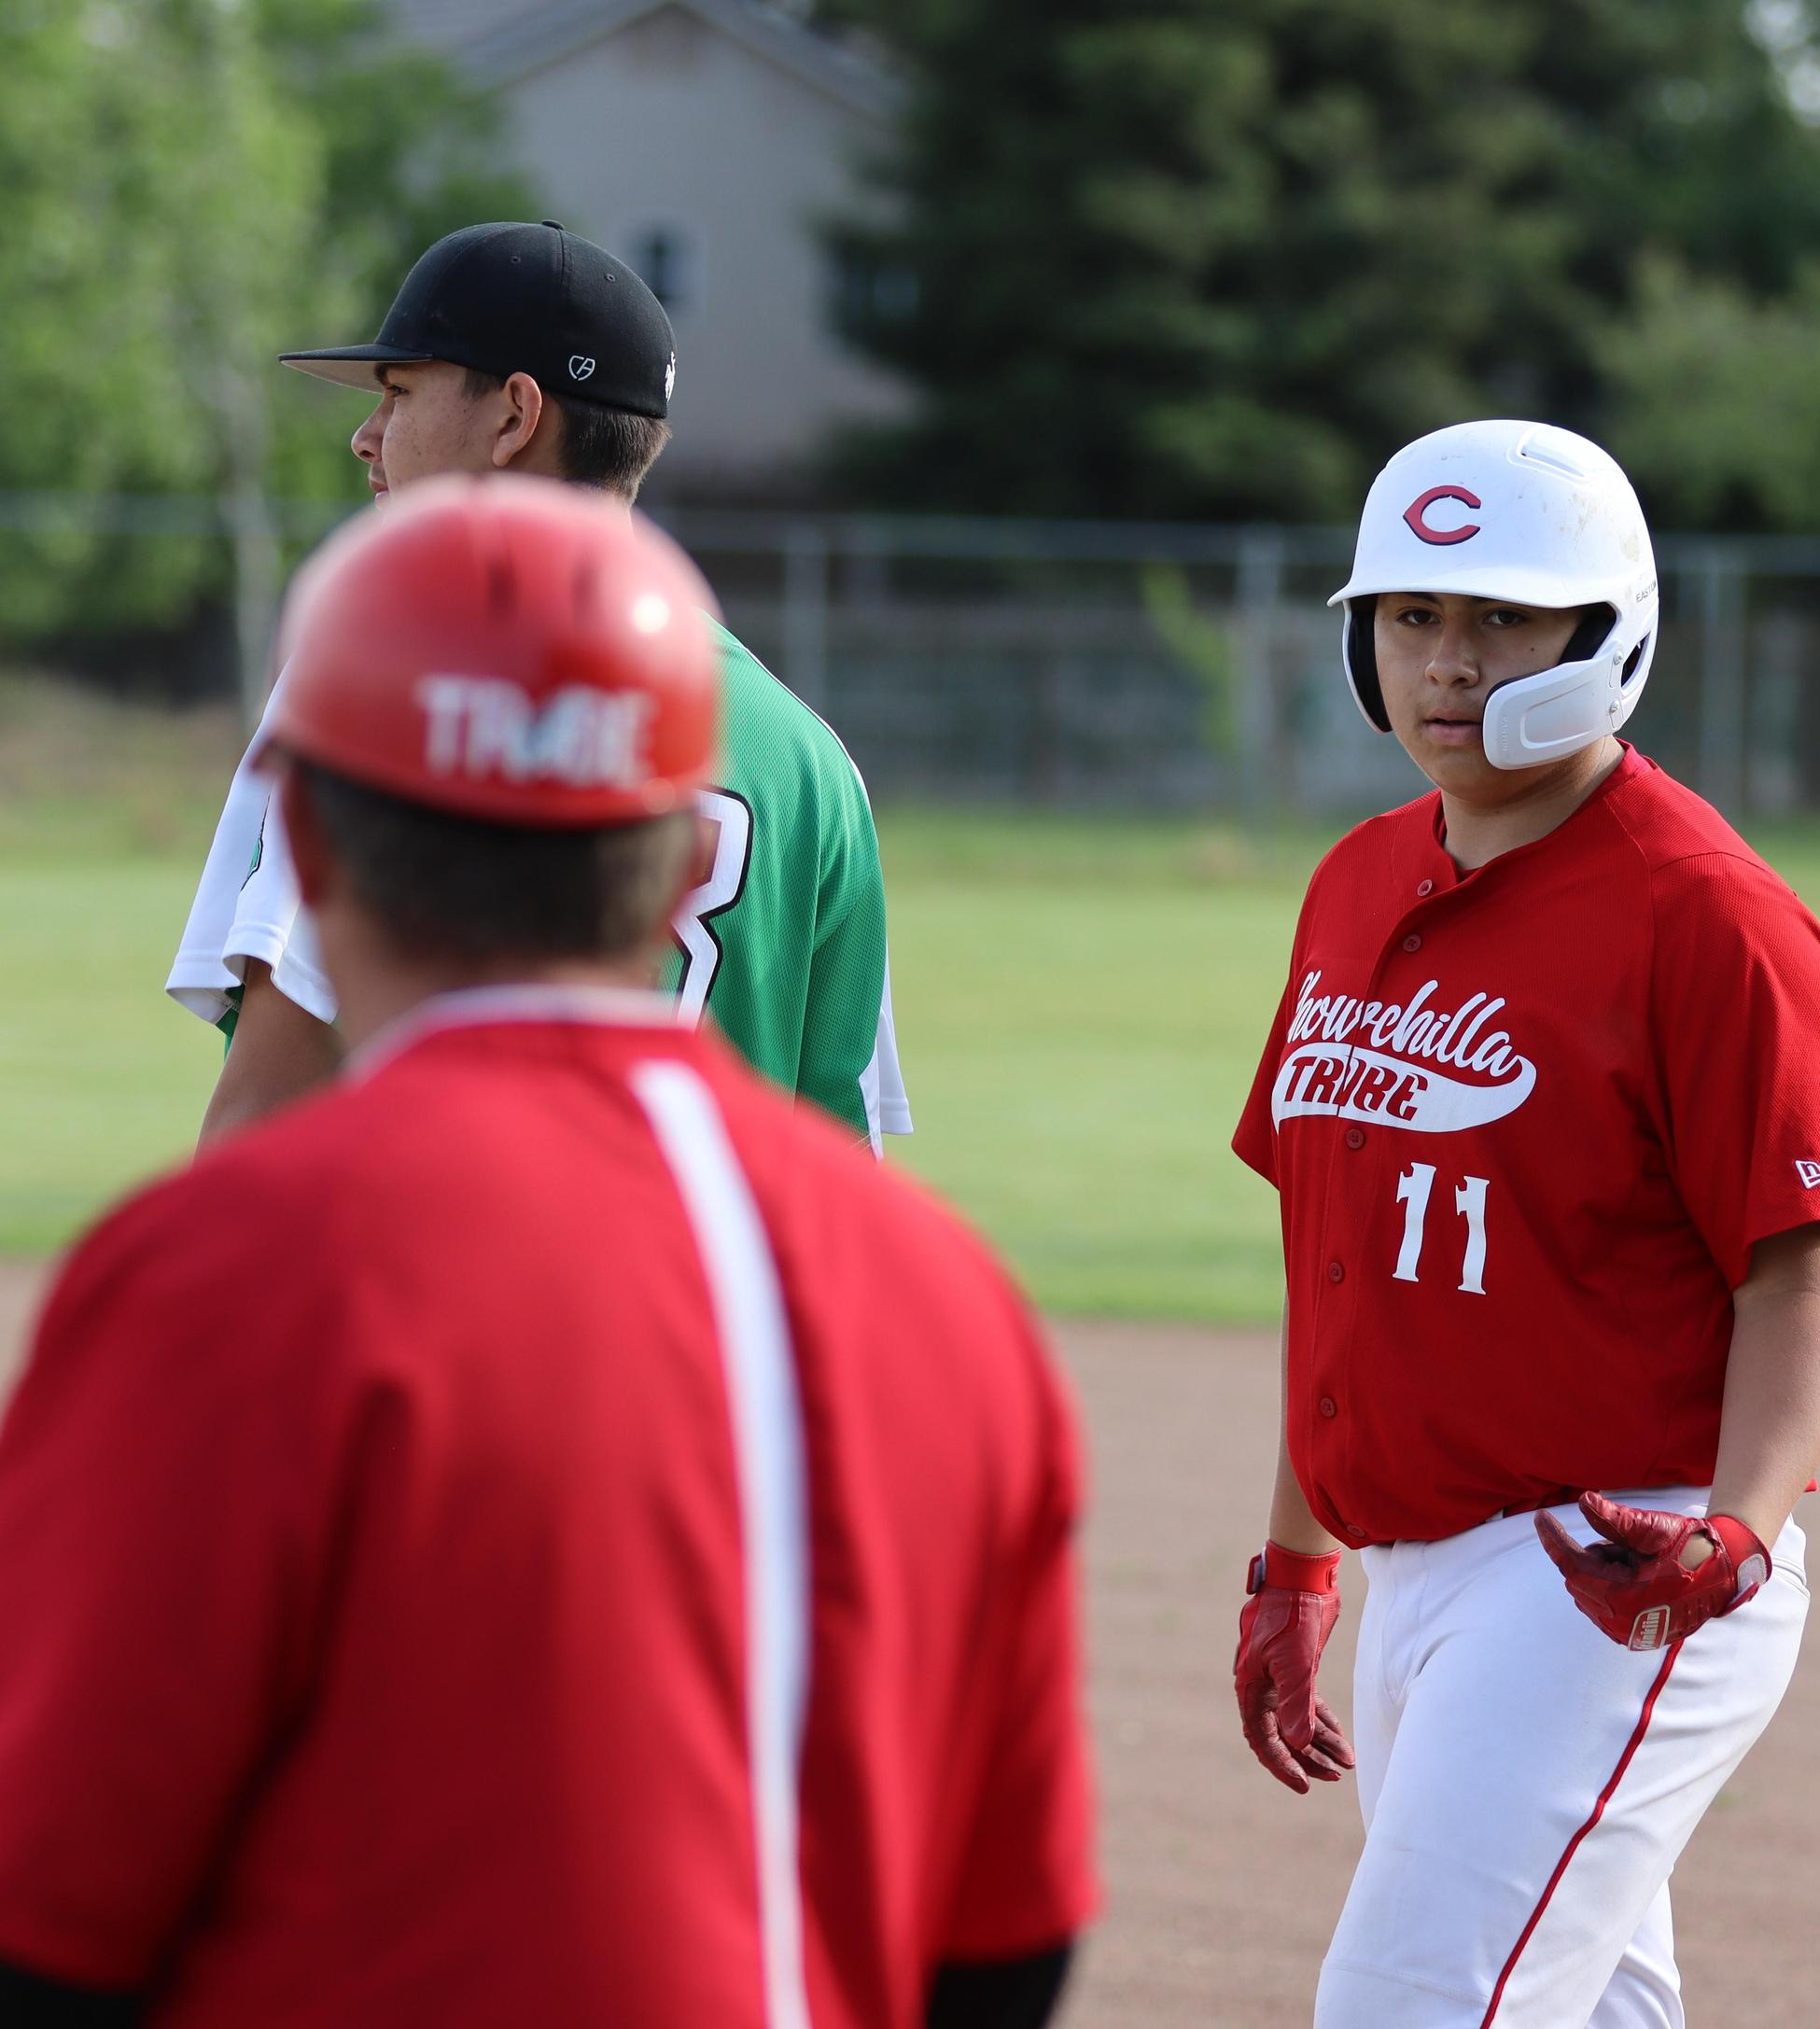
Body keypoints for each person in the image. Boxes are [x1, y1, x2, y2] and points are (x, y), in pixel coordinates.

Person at [0, 479, 1090, 2028]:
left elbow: (53, 1912)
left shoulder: (226, 1262)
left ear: (301, 832)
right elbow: (1006, 1947)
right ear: (676, 858)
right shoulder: (943, 1294)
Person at [1229, 419, 1820, 2026]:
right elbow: (1342, 1263)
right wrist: (1298, 1557)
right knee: (1580, 2007)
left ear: (1608, 632)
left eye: (1503, 618)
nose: (1449, 662)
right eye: (1413, 617)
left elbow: (1800, 1270)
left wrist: (1733, 1528)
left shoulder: (1704, 907)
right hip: (1419, 1564)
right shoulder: (1357, 882)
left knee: (1414, 2004)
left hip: (1614, 1562)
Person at [167, 218, 910, 1151]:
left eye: (399, 391)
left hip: (440, 1283)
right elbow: (836, 1158)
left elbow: (264, 1119)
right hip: (689, 1287)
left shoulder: (387, 680)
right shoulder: (814, 762)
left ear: (515, 415)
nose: (367, 436)